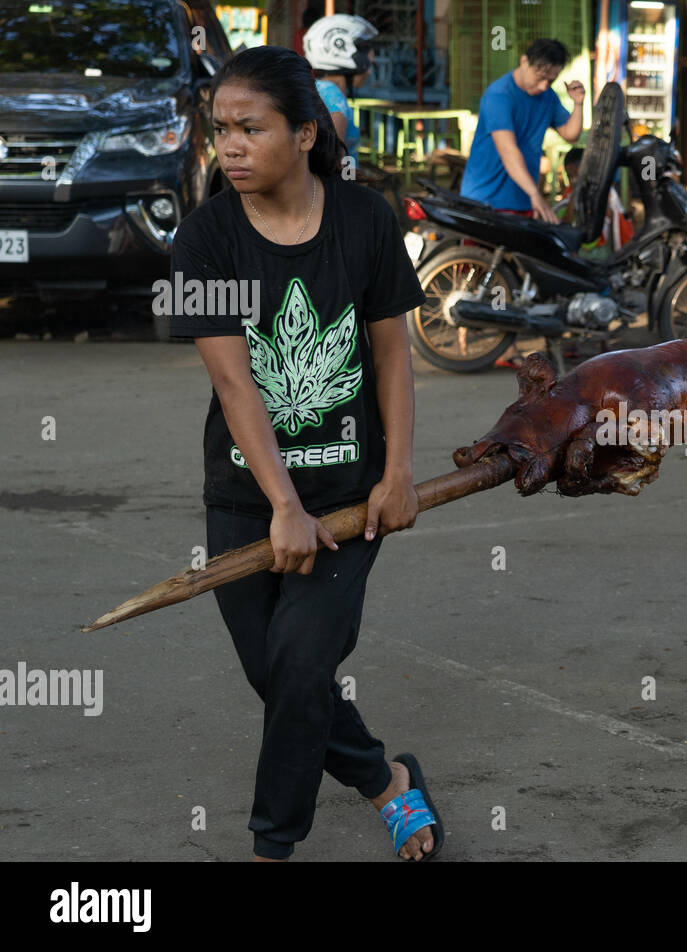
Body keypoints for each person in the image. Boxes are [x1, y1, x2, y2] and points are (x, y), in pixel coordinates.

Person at [168, 45, 440, 861]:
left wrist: (397, 476)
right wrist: (282, 505)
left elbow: (393, 354)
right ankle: (387, 779)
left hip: (352, 500)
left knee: (298, 662)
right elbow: (235, 385)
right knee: (283, 679)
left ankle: (271, 846)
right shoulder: (204, 239)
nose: (232, 148)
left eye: (251, 128)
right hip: (246, 498)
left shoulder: (365, 219)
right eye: (221, 130)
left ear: (307, 133)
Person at [460, 38, 586, 224]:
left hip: (523, 201)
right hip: (485, 200)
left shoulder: (547, 97)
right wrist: (535, 194)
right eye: (540, 77)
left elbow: (571, 134)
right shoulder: (499, 96)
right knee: (478, 254)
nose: (544, 85)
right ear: (524, 61)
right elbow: (508, 152)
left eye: (551, 80)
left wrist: (578, 104)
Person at [303, 13, 377, 164]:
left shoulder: (322, 90)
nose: (368, 72)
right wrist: (353, 184)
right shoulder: (335, 102)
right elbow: (334, 165)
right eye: (367, 64)